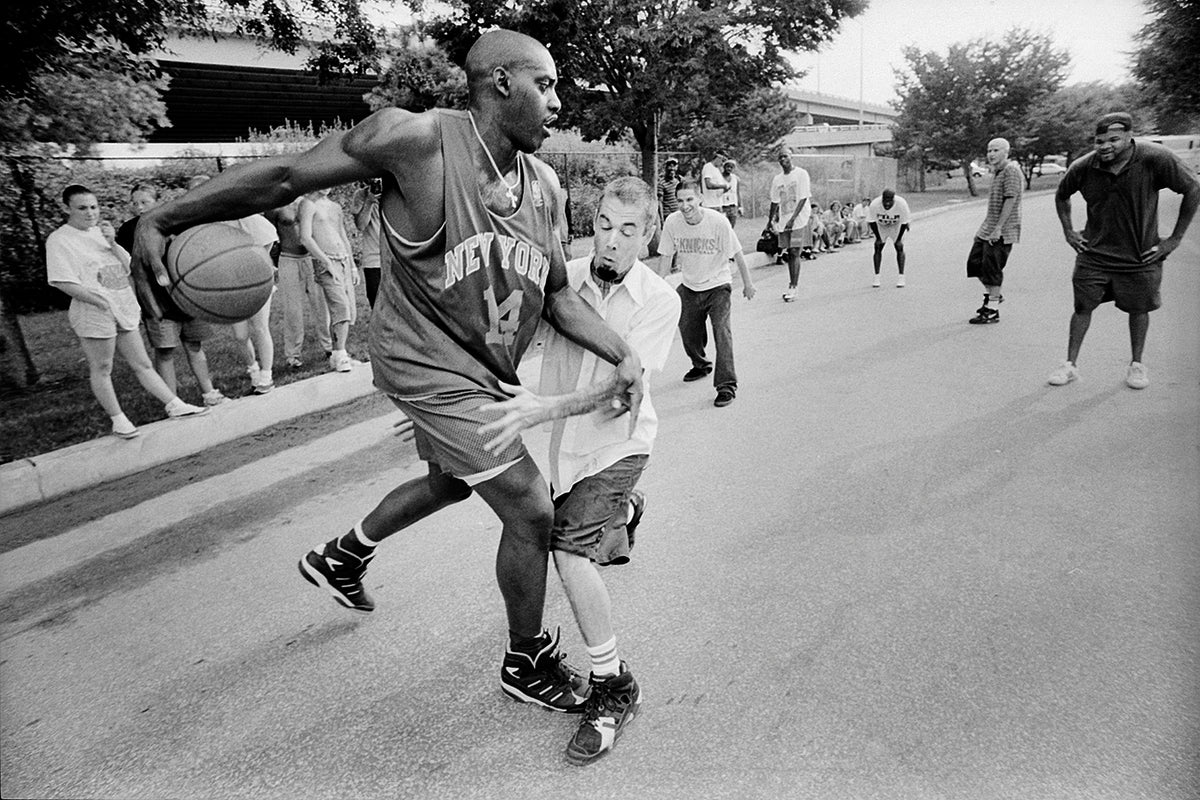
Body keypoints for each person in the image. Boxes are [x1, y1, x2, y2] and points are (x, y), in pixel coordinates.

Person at [132, 29, 644, 717]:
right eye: (545, 84)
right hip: (422, 365)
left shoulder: (544, 185)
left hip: (484, 369)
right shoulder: (419, 142)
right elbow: (288, 176)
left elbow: (555, 296)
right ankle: (525, 661)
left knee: (452, 484)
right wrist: (162, 214)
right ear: (499, 83)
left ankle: (344, 554)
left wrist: (623, 350)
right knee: (528, 508)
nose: (558, 100)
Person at [477, 176, 680, 765]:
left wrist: (540, 408)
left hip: (620, 446)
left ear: (649, 234)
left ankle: (614, 685)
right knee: (546, 533)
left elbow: (621, 389)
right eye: (603, 227)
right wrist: (447, 397)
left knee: (567, 549)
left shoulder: (659, 302)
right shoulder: (562, 277)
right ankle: (621, 516)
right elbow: (509, 338)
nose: (611, 243)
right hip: (566, 451)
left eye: (627, 231)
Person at [1048, 112, 1200, 389]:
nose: (1105, 146)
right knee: (1082, 307)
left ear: (1130, 137)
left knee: (1139, 309)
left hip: (1140, 256)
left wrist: (1174, 239)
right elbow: (1061, 195)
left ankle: (1136, 365)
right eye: (1099, 141)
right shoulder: (1083, 167)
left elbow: (1192, 188)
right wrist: (1069, 231)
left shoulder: (1155, 158)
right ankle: (1069, 365)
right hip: (1094, 255)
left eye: (1114, 140)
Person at [48, 184, 208, 439]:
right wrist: (99, 302)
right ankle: (118, 419)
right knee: (102, 367)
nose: (90, 213)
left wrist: (111, 244)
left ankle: (174, 404)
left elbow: (130, 266)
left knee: (142, 363)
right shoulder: (60, 240)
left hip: (122, 307)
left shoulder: (102, 233)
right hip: (95, 311)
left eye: (93, 207)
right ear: (67, 208)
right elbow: (61, 281)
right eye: (82, 208)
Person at [116, 183, 226, 406]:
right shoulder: (129, 231)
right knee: (165, 351)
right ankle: (173, 403)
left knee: (194, 346)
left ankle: (209, 394)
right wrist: (135, 302)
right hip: (155, 299)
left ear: (157, 202)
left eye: (144, 202)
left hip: (185, 295)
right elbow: (128, 269)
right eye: (135, 203)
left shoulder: (175, 224)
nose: (139, 207)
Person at [659, 179, 755, 407]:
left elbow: (738, 254)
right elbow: (665, 257)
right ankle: (701, 364)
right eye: (680, 200)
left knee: (722, 332)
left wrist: (748, 284)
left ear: (700, 198)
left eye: (690, 199)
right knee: (688, 331)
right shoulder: (672, 222)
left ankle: (726, 386)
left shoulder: (718, 222)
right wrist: (658, 288)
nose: (685, 206)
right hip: (690, 286)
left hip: (718, 286)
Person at [299, 188, 358, 372]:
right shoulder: (308, 204)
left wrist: (353, 266)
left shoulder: (335, 206)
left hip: (343, 259)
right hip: (325, 261)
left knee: (347, 307)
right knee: (340, 306)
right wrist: (325, 261)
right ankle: (340, 354)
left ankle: (338, 354)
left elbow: (342, 235)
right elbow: (305, 238)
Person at [966, 138, 1024, 324]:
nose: (991, 154)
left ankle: (992, 309)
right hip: (988, 227)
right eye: (989, 150)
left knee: (992, 268)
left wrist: (998, 228)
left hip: (1003, 229)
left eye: (996, 150)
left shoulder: (1011, 171)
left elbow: (1010, 199)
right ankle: (994, 296)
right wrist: (986, 229)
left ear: (1006, 152)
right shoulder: (998, 172)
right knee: (975, 264)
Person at [270, 197, 331, 369]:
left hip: (310, 257)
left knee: (321, 304)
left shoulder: (309, 204)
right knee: (292, 309)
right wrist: (271, 263)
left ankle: (329, 347)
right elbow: (268, 235)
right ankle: (292, 354)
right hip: (289, 259)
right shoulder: (276, 206)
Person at [767, 150, 812, 302]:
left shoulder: (801, 174)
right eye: (780, 157)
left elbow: (803, 197)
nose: (783, 159)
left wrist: (793, 218)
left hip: (800, 218)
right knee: (789, 252)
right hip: (784, 218)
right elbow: (774, 200)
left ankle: (794, 286)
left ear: (791, 157)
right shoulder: (777, 179)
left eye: (785, 156)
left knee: (794, 251)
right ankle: (791, 284)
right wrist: (770, 220)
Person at [351, 179, 384, 308]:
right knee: (376, 302)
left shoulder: (397, 190)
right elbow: (361, 225)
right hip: (374, 259)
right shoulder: (360, 195)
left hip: (396, 257)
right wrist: (369, 201)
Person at [867, 189, 911, 288]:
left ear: (893, 199)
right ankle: (876, 277)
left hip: (896, 225)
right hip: (881, 225)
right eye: (885, 201)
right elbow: (872, 221)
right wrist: (878, 238)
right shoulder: (874, 204)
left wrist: (898, 239)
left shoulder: (901, 204)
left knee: (899, 247)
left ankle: (901, 277)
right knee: (877, 247)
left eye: (889, 201)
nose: (887, 203)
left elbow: (904, 223)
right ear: (881, 199)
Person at [719, 159, 741, 233]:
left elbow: (737, 193)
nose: (729, 169)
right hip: (722, 205)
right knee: (722, 227)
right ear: (724, 167)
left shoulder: (736, 178)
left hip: (733, 206)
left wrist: (740, 206)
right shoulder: (719, 177)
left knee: (731, 228)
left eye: (731, 167)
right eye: (728, 166)